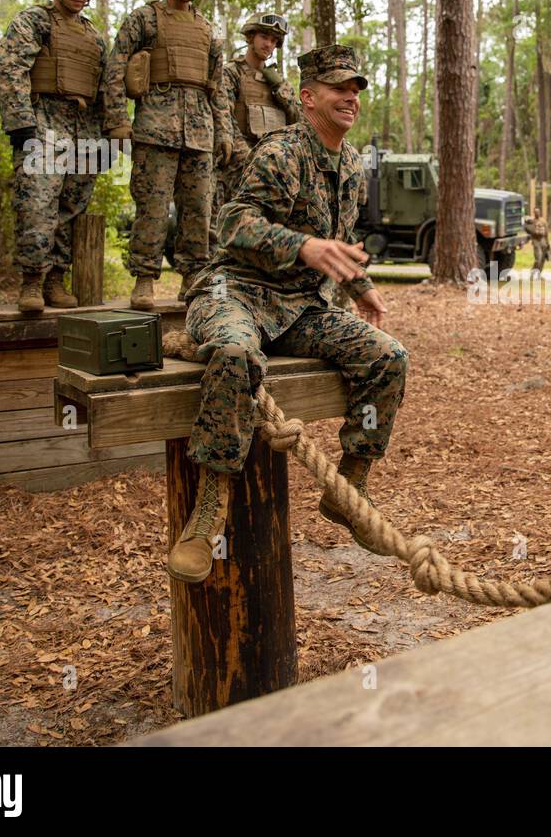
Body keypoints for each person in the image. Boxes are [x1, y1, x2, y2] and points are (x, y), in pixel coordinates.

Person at [171, 44, 407, 583]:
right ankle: (210, 506)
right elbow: (232, 223)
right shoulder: (280, 152)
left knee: (388, 357)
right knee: (233, 352)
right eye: (338, 89)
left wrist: (362, 285)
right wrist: (302, 246)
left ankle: (349, 488)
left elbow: (341, 243)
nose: (350, 97)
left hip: (301, 308)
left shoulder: (350, 163)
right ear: (307, 97)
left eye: (355, 90)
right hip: (237, 293)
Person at [103, 0, 233, 309]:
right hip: (154, 128)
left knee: (198, 210)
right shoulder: (143, 19)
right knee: (153, 208)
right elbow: (115, 69)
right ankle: (144, 279)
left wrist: (224, 132)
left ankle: (193, 278)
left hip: (200, 132)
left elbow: (217, 87)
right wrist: (116, 120)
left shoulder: (208, 31)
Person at [0, 0, 108, 312]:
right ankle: (32, 281)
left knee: (73, 206)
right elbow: (10, 67)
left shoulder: (94, 36)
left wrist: (110, 136)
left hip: (85, 126)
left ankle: (56, 278)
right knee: (36, 204)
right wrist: (20, 122)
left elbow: (105, 87)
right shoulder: (35, 21)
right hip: (44, 120)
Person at [215, 13, 301, 247]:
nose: (268, 44)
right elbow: (224, 118)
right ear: (250, 37)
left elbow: (298, 121)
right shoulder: (231, 73)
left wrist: (280, 89)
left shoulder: (277, 81)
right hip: (240, 167)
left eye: (274, 41)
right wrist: (254, 159)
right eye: (264, 37)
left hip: (274, 168)